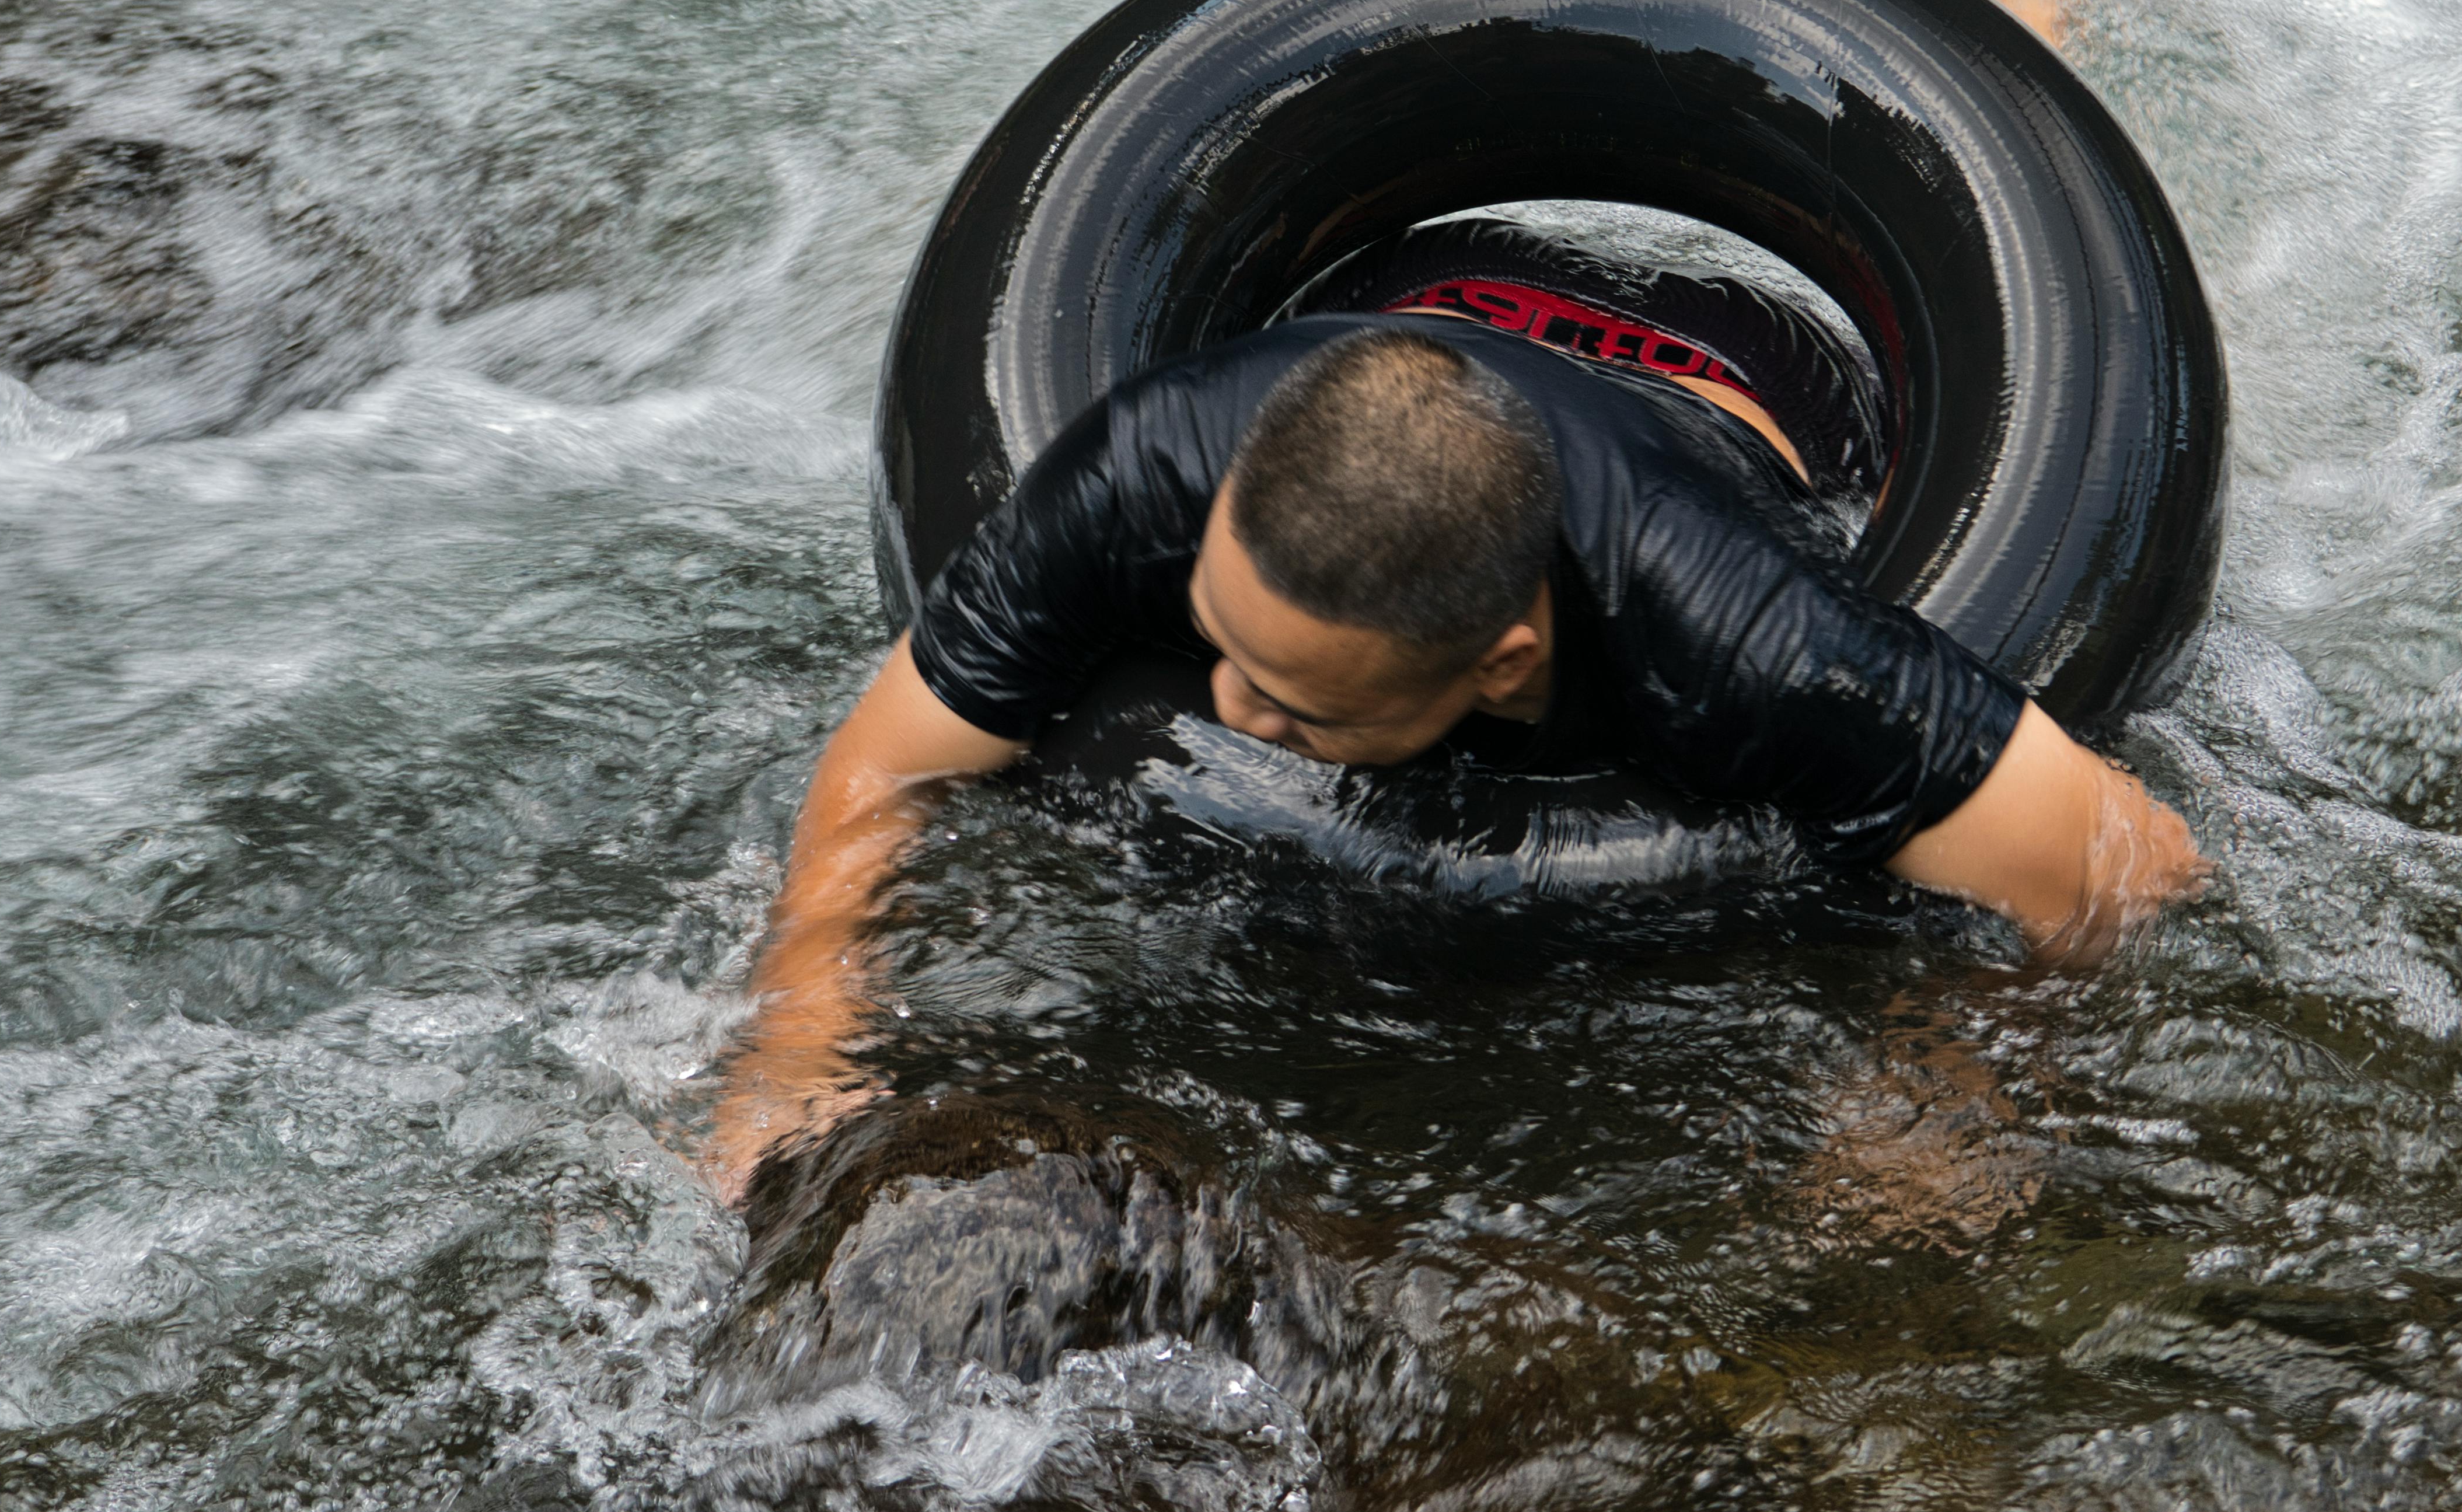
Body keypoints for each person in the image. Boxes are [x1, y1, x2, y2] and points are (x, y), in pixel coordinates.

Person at [709, 295, 2206, 1195]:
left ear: (1501, 668)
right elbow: (882, 756)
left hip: (1747, 380)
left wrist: (1953, 1077)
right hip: (1445, 304)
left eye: (1296, 708)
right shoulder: (1153, 462)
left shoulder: (1748, 645)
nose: (1225, 713)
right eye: (1209, 643)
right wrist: (796, 1044)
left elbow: (2124, 857)